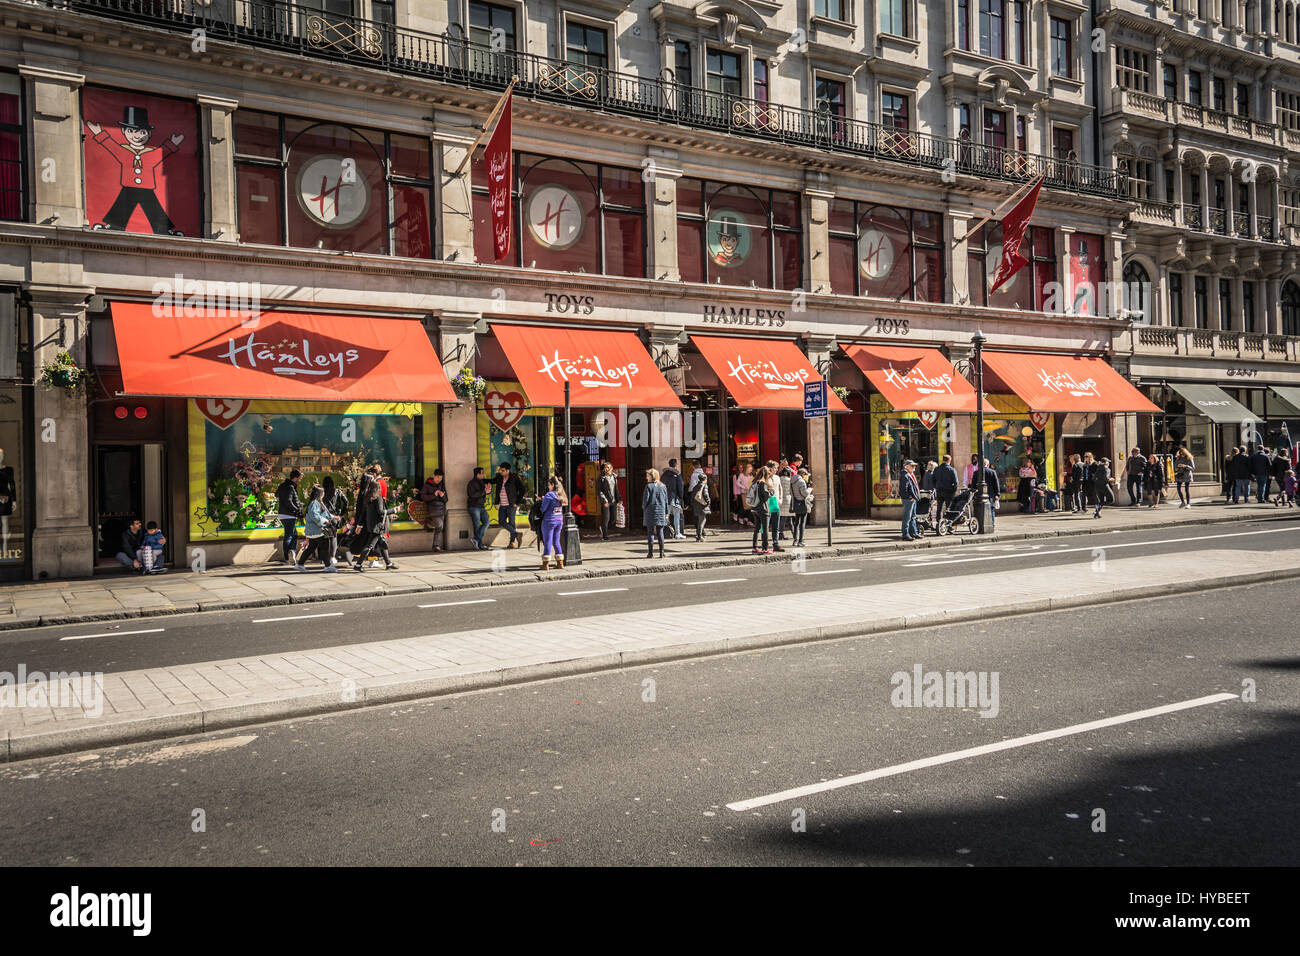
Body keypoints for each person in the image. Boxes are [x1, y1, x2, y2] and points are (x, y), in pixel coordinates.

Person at [353, 478, 398, 571]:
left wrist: (359, 525)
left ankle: (388, 563)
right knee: (369, 546)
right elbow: (381, 512)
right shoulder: (378, 498)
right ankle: (358, 565)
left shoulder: (368, 498)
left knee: (382, 543)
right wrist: (395, 510)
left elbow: (363, 513)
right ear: (378, 488)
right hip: (378, 526)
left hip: (372, 526)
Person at [299, 485, 338, 571]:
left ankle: (300, 564)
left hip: (314, 530)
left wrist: (333, 517)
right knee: (324, 547)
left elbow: (323, 513)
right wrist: (325, 520)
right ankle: (328, 566)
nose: (324, 493)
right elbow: (315, 515)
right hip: (317, 530)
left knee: (311, 548)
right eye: (323, 492)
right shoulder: (315, 503)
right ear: (320, 493)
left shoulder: (316, 502)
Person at [491, 461, 525, 548]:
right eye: (500, 470)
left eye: (502, 470)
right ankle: (517, 534)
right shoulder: (499, 477)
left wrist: (517, 502)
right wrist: (481, 480)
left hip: (511, 504)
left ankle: (512, 542)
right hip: (502, 505)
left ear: (507, 471)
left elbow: (522, 490)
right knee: (501, 521)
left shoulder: (514, 478)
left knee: (511, 523)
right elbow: (492, 481)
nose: (500, 472)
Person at [276, 468, 304, 565]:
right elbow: (289, 501)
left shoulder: (282, 485)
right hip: (289, 514)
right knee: (290, 535)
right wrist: (297, 509)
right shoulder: (290, 487)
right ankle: (289, 555)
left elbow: (277, 495)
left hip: (282, 513)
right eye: (299, 478)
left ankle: (290, 554)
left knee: (292, 534)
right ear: (295, 477)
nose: (300, 480)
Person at [538, 476, 567, 570]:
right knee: (556, 541)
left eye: (549, 485)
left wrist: (542, 501)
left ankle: (545, 563)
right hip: (559, 520)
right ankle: (560, 563)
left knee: (548, 542)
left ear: (552, 485)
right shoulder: (561, 494)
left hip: (549, 520)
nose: (548, 487)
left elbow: (543, 508)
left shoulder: (549, 495)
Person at [642, 468, 668, 558]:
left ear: (652, 476)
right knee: (660, 531)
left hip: (650, 510)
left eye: (648, 475)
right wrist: (666, 513)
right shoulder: (663, 486)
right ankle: (662, 552)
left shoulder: (648, 486)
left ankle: (650, 553)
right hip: (661, 510)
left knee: (650, 532)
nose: (646, 477)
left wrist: (644, 508)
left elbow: (645, 500)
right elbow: (666, 501)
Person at [747, 465, 772, 553]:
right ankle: (765, 548)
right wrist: (770, 492)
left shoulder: (755, 482)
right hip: (763, 508)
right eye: (768, 474)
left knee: (756, 528)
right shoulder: (762, 483)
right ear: (766, 474)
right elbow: (765, 497)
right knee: (765, 529)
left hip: (754, 508)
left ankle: (754, 547)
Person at [933, 454, 959, 536]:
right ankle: (949, 524)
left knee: (939, 508)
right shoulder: (952, 470)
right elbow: (956, 483)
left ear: (943, 460)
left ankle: (938, 523)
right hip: (949, 492)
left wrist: (936, 487)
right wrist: (953, 491)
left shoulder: (936, 469)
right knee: (949, 508)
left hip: (939, 491)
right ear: (949, 461)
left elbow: (933, 480)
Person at [466, 467, 489, 550]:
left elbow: (482, 494)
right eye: (482, 473)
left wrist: (488, 490)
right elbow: (472, 495)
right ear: (478, 474)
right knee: (477, 526)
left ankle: (476, 540)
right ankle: (480, 544)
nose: (484, 474)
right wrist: (484, 491)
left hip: (481, 506)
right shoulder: (471, 483)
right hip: (474, 507)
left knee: (486, 523)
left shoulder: (482, 482)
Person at [661, 459, 685, 539]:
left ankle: (665, 532)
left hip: (665, 497)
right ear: (676, 464)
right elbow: (680, 487)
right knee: (677, 516)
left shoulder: (663, 475)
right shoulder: (677, 474)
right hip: (674, 498)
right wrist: (681, 497)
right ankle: (677, 533)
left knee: (665, 515)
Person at [899, 459, 922, 541]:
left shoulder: (910, 474)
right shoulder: (905, 475)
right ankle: (905, 534)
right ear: (906, 466)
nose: (914, 467)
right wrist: (910, 497)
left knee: (912, 517)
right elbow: (903, 490)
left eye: (915, 466)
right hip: (909, 499)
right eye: (912, 466)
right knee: (907, 517)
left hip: (912, 499)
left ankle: (914, 533)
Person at [597, 462, 620, 541]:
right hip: (606, 501)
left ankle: (602, 528)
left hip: (613, 500)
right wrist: (604, 501)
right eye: (605, 467)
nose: (607, 469)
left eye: (608, 467)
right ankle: (605, 536)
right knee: (606, 518)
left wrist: (619, 499)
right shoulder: (601, 478)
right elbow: (599, 491)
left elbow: (616, 489)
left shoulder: (614, 477)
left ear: (612, 468)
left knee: (613, 518)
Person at [687, 465, 710, 541]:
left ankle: (699, 535)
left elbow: (692, 496)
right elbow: (706, 495)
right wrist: (708, 502)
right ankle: (699, 535)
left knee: (700, 520)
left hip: (696, 505)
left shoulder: (696, 486)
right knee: (702, 520)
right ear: (705, 479)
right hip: (702, 505)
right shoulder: (704, 485)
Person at [790, 468, 811, 547]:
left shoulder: (792, 481)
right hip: (802, 502)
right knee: (802, 522)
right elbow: (804, 493)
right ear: (802, 474)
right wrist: (809, 490)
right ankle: (801, 540)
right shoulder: (801, 481)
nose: (806, 477)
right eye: (805, 475)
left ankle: (795, 540)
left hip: (795, 502)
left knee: (796, 522)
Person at [979, 457, 1002, 529]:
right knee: (991, 509)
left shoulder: (977, 472)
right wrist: (997, 494)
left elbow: (973, 485)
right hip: (991, 494)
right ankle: (992, 524)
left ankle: (981, 524)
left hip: (980, 495)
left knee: (980, 510)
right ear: (988, 464)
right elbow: (996, 484)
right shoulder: (992, 472)